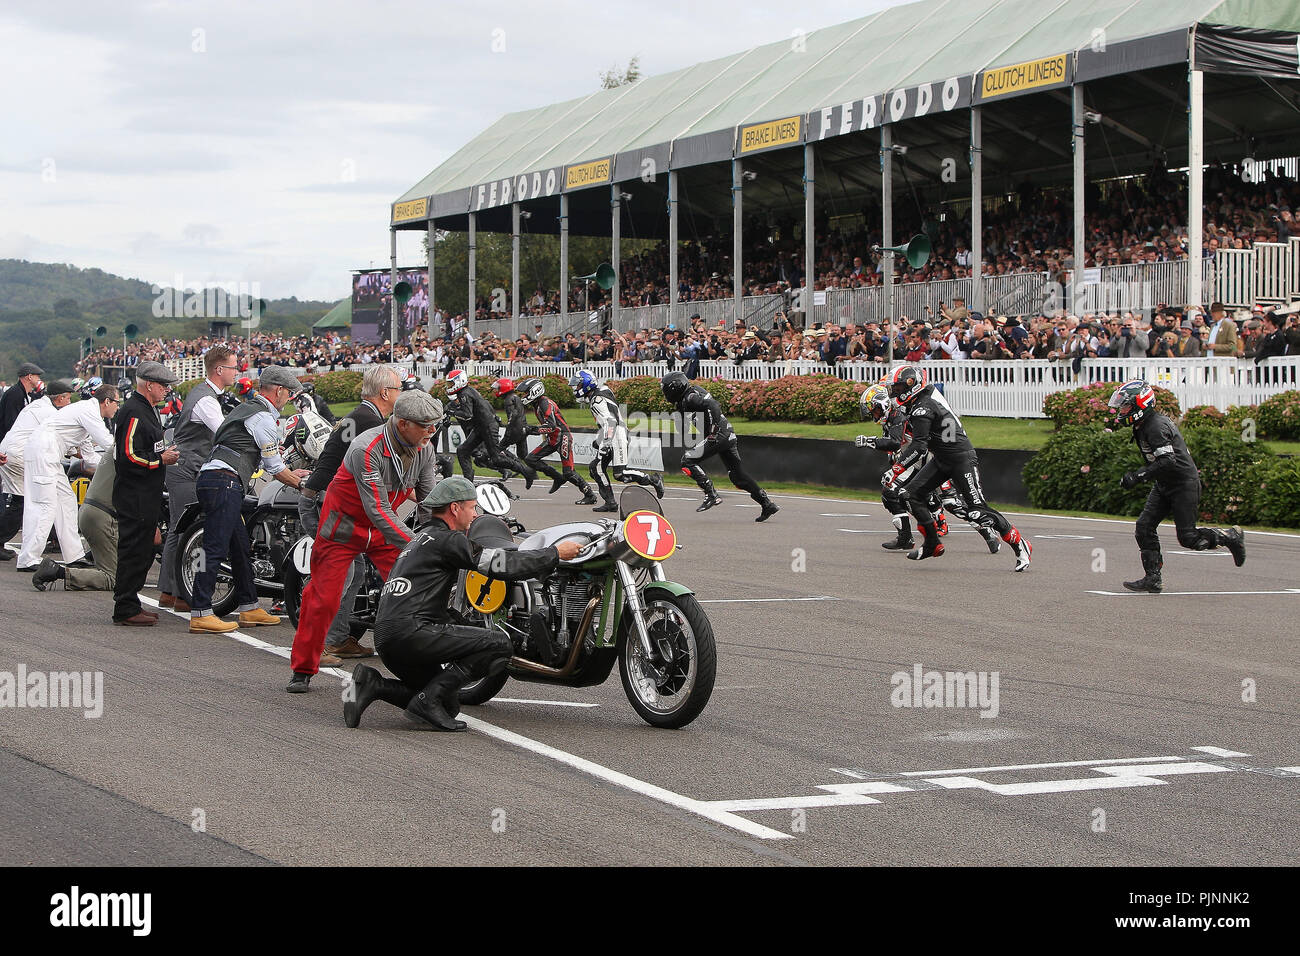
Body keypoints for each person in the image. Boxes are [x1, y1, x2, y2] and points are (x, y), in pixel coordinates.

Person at [344, 477, 582, 731]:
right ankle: (428, 700)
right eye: (472, 507)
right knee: (500, 643)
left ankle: (371, 684)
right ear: (455, 508)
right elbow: (502, 566)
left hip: (388, 638)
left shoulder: (418, 539)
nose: (475, 515)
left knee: (447, 705)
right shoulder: (448, 539)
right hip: (411, 634)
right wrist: (555, 554)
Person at [287, 390, 444, 693]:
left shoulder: (425, 447)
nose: (433, 431)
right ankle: (303, 668)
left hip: (383, 531)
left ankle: (427, 661)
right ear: (402, 424)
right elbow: (378, 509)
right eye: (426, 425)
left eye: (435, 424)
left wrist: (436, 540)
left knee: (417, 588)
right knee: (323, 599)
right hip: (343, 530)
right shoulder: (365, 447)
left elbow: (428, 502)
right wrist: (418, 547)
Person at [188, 367, 313, 634]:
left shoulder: (246, 409)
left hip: (216, 478)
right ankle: (200, 611)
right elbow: (275, 468)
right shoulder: (264, 418)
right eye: (288, 394)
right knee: (215, 546)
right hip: (225, 481)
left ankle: (249, 606)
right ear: (279, 390)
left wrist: (289, 473)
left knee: (240, 546)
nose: (288, 399)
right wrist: (302, 484)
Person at [298, 364, 403, 663]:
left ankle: (336, 637)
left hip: (318, 495)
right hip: (326, 500)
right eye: (398, 389)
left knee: (352, 570)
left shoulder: (359, 415)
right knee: (337, 574)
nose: (401, 393)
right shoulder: (370, 422)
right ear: (385, 392)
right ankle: (320, 644)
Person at [885, 365, 1032, 570]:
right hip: (943, 459)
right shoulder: (925, 397)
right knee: (911, 495)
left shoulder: (923, 406)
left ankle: (1020, 544)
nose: (896, 393)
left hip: (960, 459)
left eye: (899, 388)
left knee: (977, 511)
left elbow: (919, 447)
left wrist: (896, 469)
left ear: (912, 385)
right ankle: (932, 543)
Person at [1108, 380, 1245, 592]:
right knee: (1144, 527)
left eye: (1125, 405)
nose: (1121, 410)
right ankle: (1153, 578)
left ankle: (1230, 537)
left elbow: (1168, 461)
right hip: (1165, 483)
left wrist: (1138, 476)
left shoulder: (1155, 426)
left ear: (1140, 405)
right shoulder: (1144, 424)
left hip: (1183, 484)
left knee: (1189, 538)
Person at [159, 346, 239, 612]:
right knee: (187, 530)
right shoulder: (206, 400)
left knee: (179, 529)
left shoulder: (206, 396)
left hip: (187, 466)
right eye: (233, 367)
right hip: (186, 468)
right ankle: (182, 592)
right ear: (219, 370)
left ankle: (172, 592)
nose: (236, 372)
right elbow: (225, 432)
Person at [16, 384, 119, 570]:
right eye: (116, 403)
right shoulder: (89, 411)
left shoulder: (87, 416)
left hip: (47, 453)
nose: (117, 407)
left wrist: (113, 466)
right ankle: (28, 559)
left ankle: (74, 555)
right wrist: (131, 458)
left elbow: (91, 459)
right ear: (107, 401)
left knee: (67, 500)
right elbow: (109, 443)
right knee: (44, 505)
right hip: (44, 451)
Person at [112, 362, 181, 626]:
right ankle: (125, 607)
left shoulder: (148, 409)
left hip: (146, 492)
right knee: (134, 549)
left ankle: (131, 601)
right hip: (134, 494)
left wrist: (163, 454)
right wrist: (160, 459)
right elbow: (127, 456)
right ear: (149, 385)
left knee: (146, 547)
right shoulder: (133, 411)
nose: (167, 390)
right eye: (163, 385)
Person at [660, 371, 777, 520]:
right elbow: (687, 423)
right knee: (737, 477)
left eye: (666, 389)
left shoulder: (690, 397)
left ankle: (711, 495)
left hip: (719, 435)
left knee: (687, 461)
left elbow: (713, 404)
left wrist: (714, 429)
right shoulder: (687, 397)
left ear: (674, 387)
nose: (665, 393)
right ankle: (767, 504)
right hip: (726, 434)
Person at [569, 370, 663, 513]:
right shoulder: (604, 390)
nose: (576, 388)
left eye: (578, 385)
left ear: (587, 384)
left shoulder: (596, 400)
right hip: (614, 432)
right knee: (596, 467)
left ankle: (653, 479)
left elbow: (611, 422)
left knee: (620, 474)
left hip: (616, 434)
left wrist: (605, 442)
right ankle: (610, 502)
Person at [32, 448, 121, 593]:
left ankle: (90, 558)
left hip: (91, 512)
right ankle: (58, 571)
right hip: (104, 517)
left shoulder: (116, 449)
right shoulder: (133, 454)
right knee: (113, 579)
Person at [445, 369, 535, 485]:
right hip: (481, 427)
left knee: (496, 458)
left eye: (451, 383)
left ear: (459, 381)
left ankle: (526, 471)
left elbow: (467, 415)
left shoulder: (464, 394)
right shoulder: (467, 392)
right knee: (462, 451)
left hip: (487, 427)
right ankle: (468, 482)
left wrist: (452, 412)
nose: (449, 386)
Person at [515, 376, 595, 504]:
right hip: (553, 438)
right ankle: (557, 477)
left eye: (525, 392)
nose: (523, 396)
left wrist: (531, 430)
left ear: (534, 391)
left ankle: (589, 494)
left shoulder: (545, 403)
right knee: (530, 459)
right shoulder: (537, 404)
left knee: (569, 472)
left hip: (563, 437)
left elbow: (551, 426)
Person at [0, 363, 48, 561]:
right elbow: (12, 425)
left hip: (10, 450)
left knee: (13, 498)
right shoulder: (15, 395)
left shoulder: (22, 394)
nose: (38, 380)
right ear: (28, 376)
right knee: (16, 498)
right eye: (36, 376)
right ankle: (1, 539)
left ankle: (2, 540)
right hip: (10, 451)